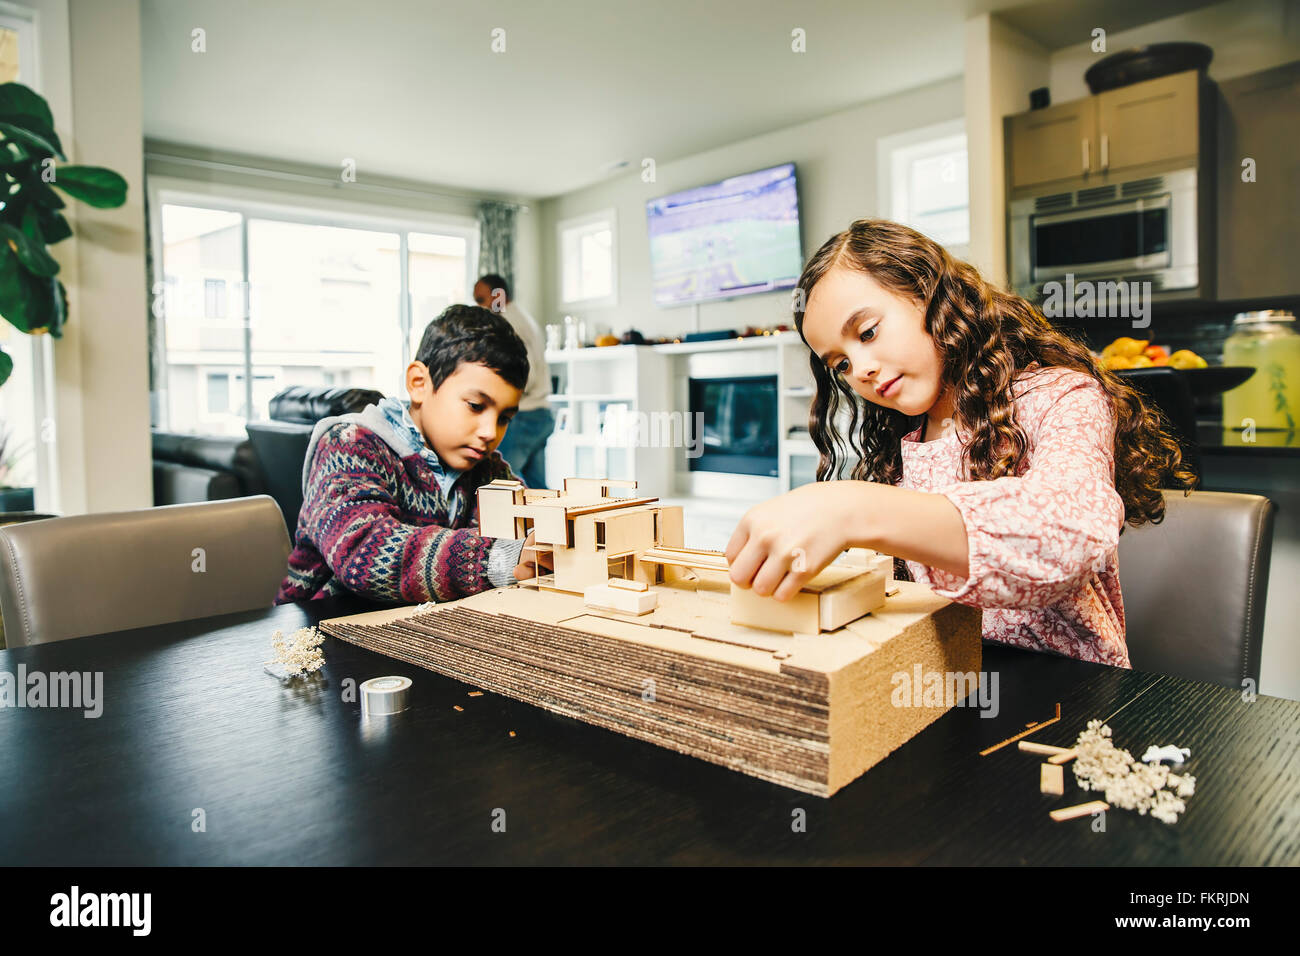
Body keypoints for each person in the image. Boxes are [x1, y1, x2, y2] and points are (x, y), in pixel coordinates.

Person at [724, 219, 1196, 667]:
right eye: (840, 364)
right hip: (944, 690)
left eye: (867, 332)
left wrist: (855, 508)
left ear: (932, 295)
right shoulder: (897, 446)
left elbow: (1073, 533)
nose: (861, 369)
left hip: (1072, 693)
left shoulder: (1061, 398)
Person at [275, 304, 549, 605]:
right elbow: (364, 553)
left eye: (504, 418)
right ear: (419, 383)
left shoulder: (487, 469)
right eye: (475, 405)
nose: (489, 432)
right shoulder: (348, 446)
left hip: (422, 632)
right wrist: (495, 559)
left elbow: (526, 521)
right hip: (318, 633)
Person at [473, 273, 555, 488]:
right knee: (538, 489)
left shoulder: (510, 325)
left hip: (524, 416)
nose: (480, 308)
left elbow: (526, 375)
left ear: (498, 295)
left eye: (481, 300)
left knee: (501, 483)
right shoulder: (522, 318)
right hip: (539, 413)